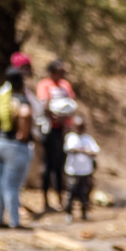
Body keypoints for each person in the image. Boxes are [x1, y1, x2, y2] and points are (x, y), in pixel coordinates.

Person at [0, 67, 37, 229]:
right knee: (12, 186)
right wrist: (23, 134)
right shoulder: (21, 99)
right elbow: (25, 114)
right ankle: (15, 222)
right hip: (13, 146)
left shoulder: (1, 98)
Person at [34, 59, 80, 214]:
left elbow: (71, 104)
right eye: (59, 71)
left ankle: (60, 199)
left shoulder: (65, 85)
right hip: (49, 130)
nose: (62, 74)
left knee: (60, 166)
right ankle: (46, 202)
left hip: (62, 131)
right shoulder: (44, 85)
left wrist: (64, 119)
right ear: (52, 72)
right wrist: (53, 116)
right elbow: (43, 105)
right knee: (47, 167)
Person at [63, 130, 99, 221]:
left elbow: (95, 151)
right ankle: (69, 214)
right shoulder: (71, 137)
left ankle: (84, 214)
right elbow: (69, 149)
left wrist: (84, 151)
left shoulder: (88, 138)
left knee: (84, 194)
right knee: (71, 194)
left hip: (85, 172)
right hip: (73, 172)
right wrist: (83, 150)